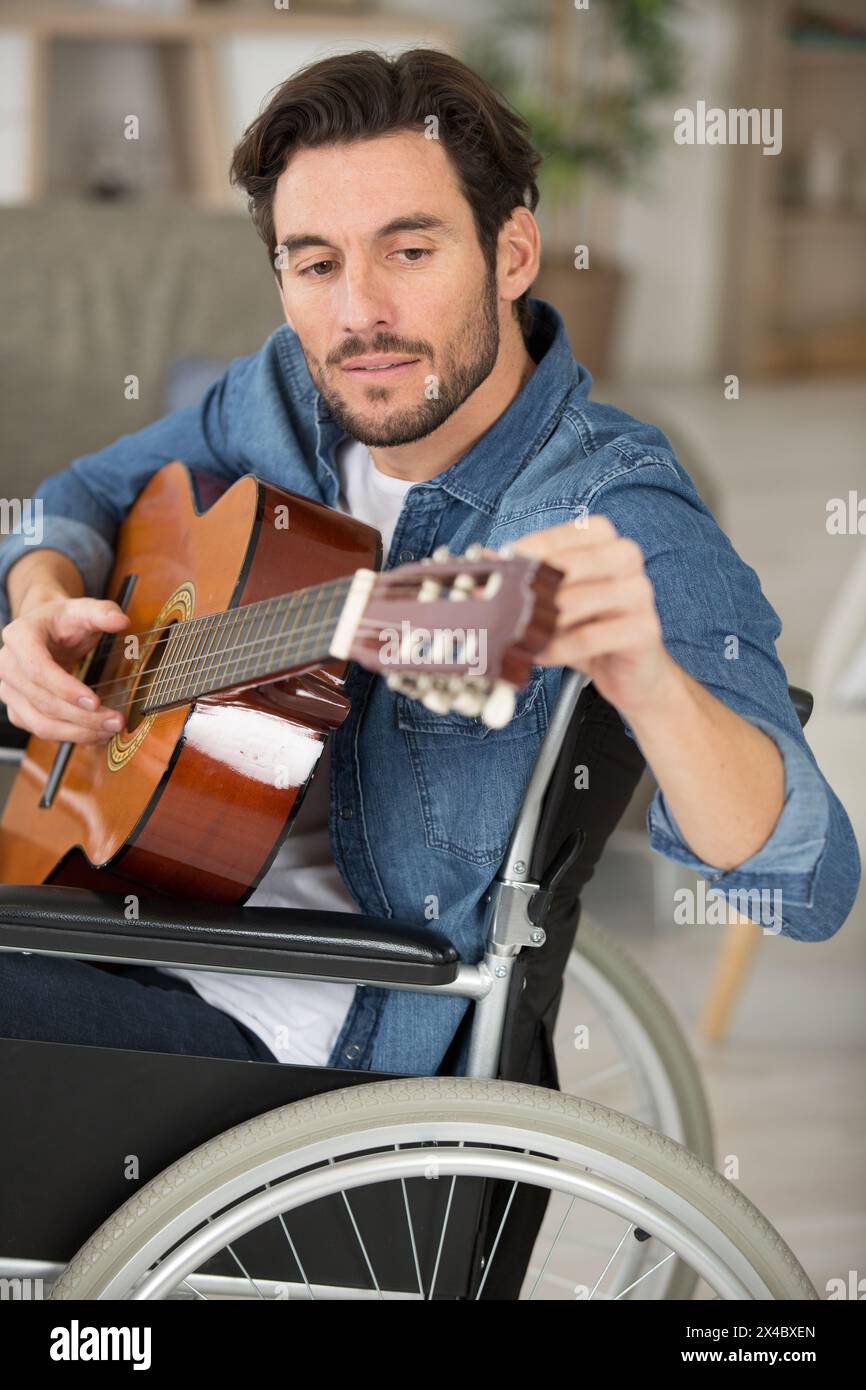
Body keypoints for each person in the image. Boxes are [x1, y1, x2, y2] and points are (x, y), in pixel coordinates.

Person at [0, 50, 859, 1078]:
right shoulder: (285, 390)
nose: (358, 312)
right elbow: (84, 492)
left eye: (407, 251)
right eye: (314, 264)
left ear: (512, 253)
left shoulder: (607, 512)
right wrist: (42, 597)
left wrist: (649, 685)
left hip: (292, 1038)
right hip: (121, 909)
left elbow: (802, 881)